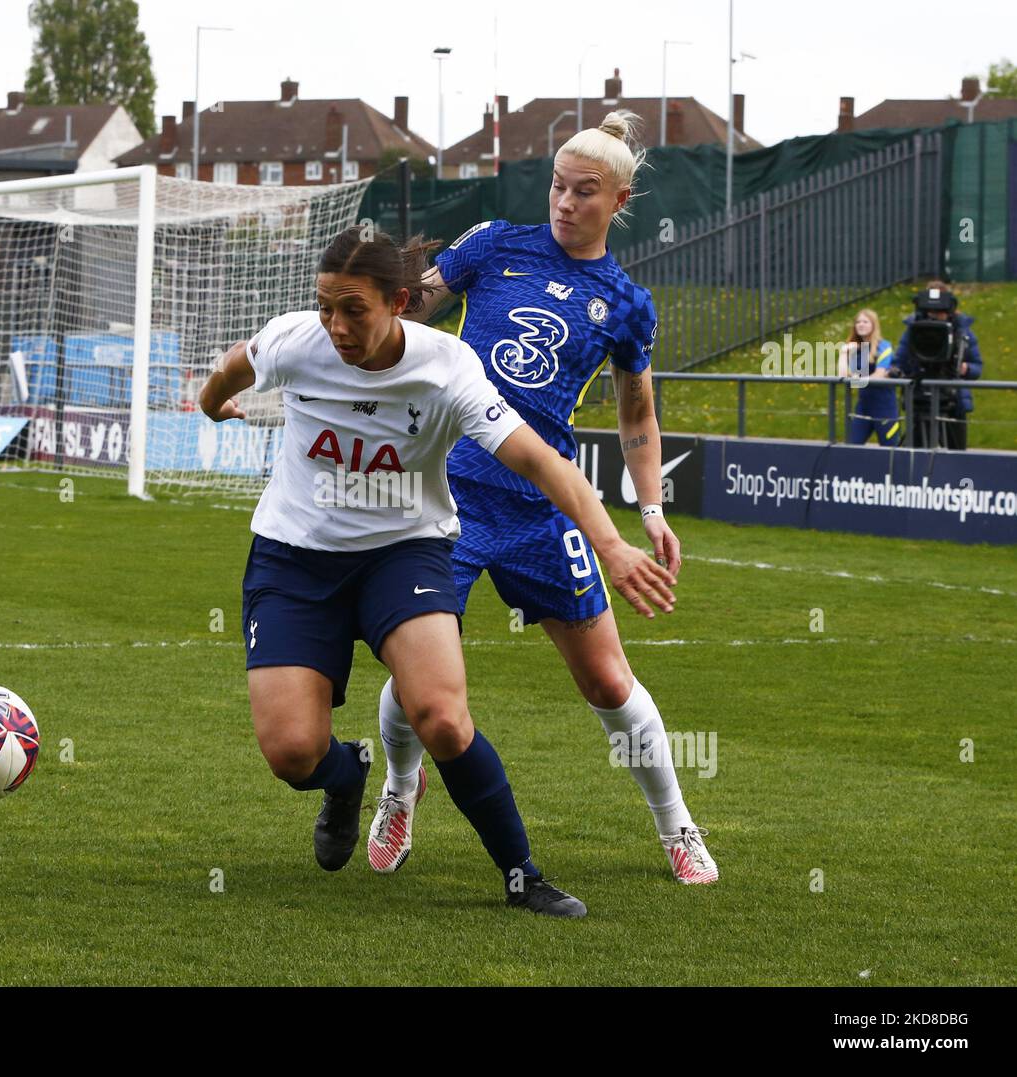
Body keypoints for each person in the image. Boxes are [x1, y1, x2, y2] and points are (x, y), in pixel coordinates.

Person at [198, 225, 677, 917]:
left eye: (353, 309)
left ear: (398, 302)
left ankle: (522, 874)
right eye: (325, 306)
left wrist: (612, 543)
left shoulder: (446, 366)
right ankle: (349, 774)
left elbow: (542, 461)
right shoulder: (296, 339)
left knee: (444, 720)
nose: (335, 325)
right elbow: (232, 366)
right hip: (295, 558)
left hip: (404, 552)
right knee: (292, 754)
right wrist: (214, 404)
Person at [365, 111, 719, 885]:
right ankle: (397, 788)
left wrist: (651, 510)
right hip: (448, 493)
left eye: (584, 192)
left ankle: (677, 824)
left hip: (543, 506)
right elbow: (410, 305)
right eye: (558, 185)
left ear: (619, 201)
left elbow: (638, 415)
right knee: (416, 678)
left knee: (608, 681)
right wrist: (365, 311)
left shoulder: (624, 303)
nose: (564, 202)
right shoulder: (495, 243)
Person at [891, 281, 982, 450]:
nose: (935, 315)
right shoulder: (913, 329)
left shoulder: (962, 331)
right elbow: (898, 363)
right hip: (919, 397)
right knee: (915, 454)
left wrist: (965, 368)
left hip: (951, 398)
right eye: (931, 310)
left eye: (940, 311)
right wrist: (898, 372)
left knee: (957, 456)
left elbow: (977, 367)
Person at [838, 309, 900, 446]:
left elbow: (878, 375)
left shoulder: (884, 346)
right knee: (851, 447)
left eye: (865, 322)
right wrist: (843, 353)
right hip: (863, 407)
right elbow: (843, 377)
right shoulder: (855, 348)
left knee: (891, 453)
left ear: (874, 325)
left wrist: (857, 379)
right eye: (858, 322)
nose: (861, 325)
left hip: (885, 409)